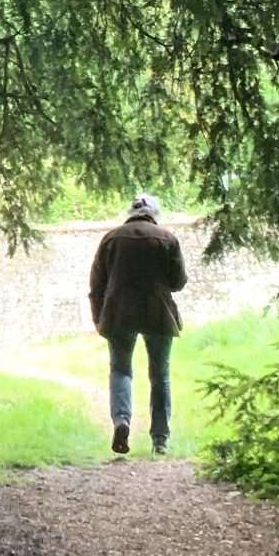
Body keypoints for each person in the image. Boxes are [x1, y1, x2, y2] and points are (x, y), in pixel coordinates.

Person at [89, 194, 187, 457]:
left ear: (130, 213)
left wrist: (98, 318)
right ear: (155, 214)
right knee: (160, 376)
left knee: (121, 370)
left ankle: (121, 421)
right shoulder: (167, 238)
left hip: (119, 313)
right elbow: (178, 282)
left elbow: (96, 285)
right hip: (158, 314)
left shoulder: (111, 239)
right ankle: (160, 440)